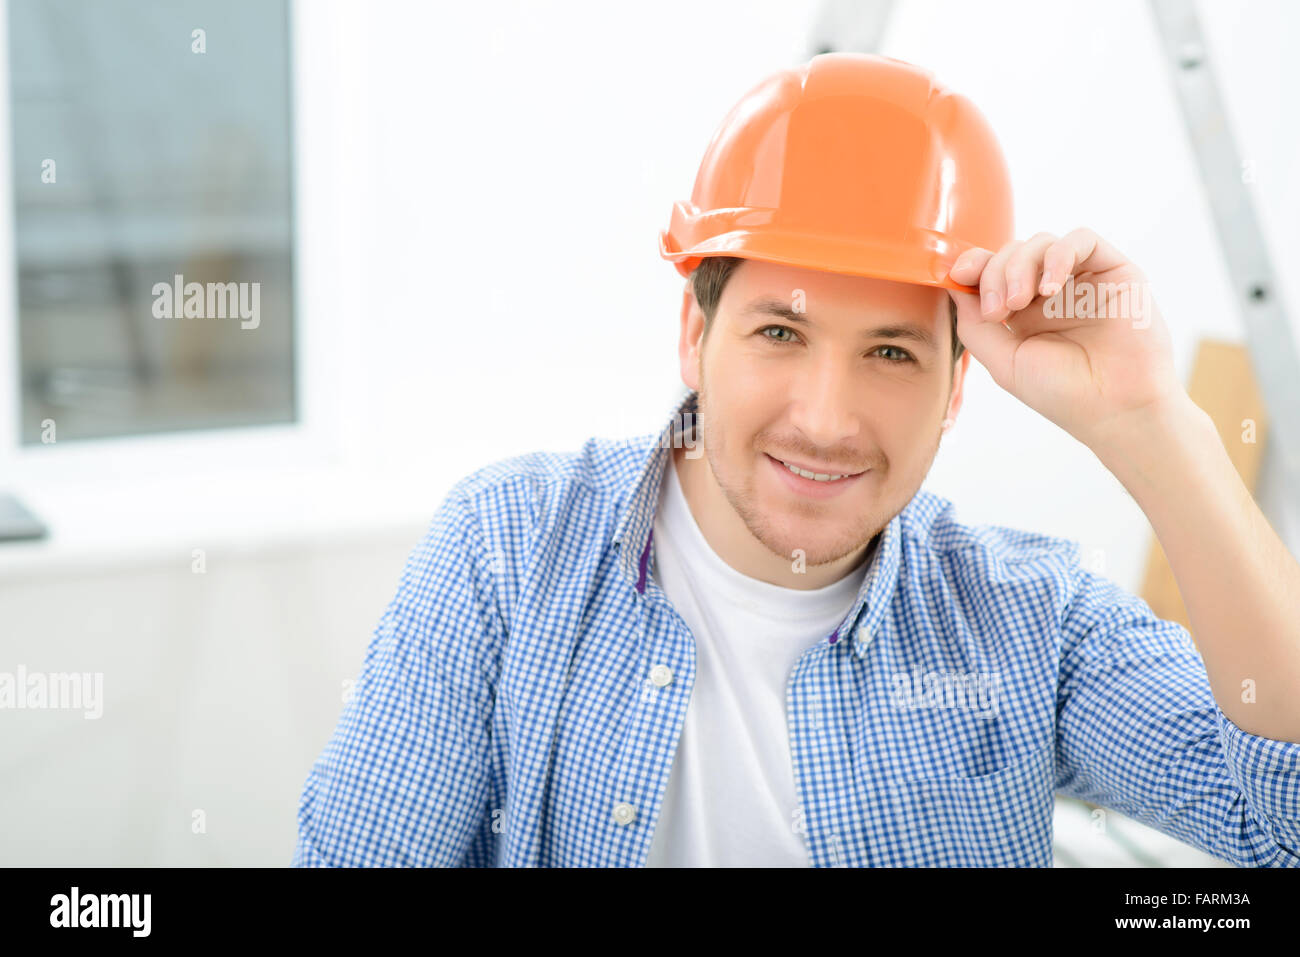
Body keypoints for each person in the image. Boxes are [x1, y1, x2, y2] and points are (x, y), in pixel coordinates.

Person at [292, 52, 1300, 867]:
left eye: (892, 353)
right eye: (779, 333)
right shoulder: (506, 548)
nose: (826, 419)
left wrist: (1152, 423)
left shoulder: (1030, 624)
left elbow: (1283, 824)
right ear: (695, 335)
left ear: (956, 387)